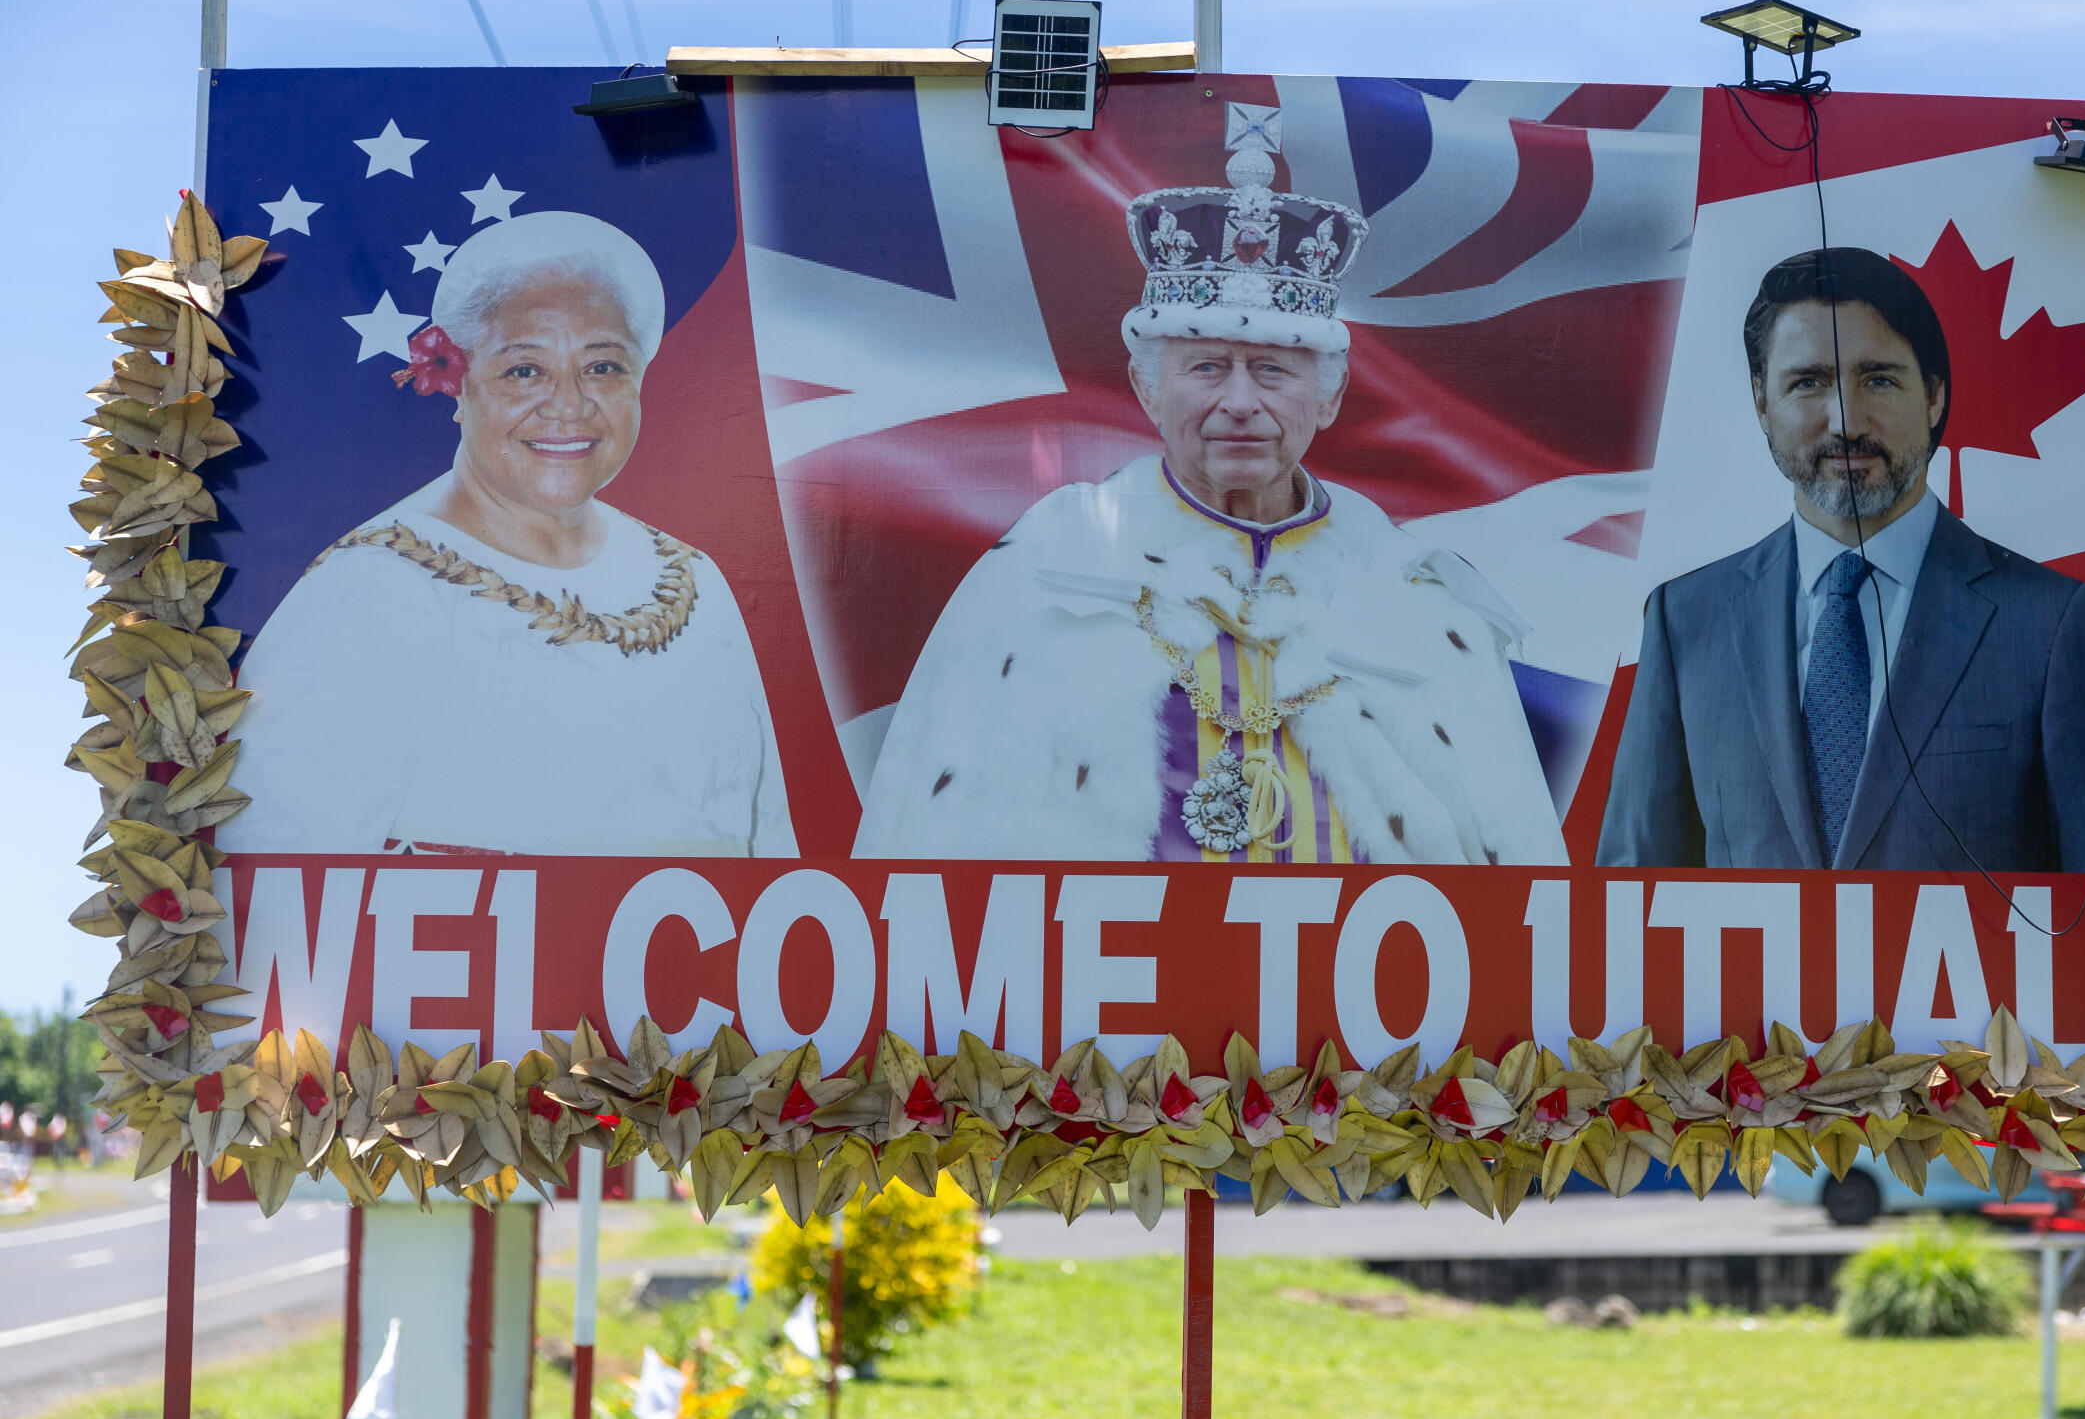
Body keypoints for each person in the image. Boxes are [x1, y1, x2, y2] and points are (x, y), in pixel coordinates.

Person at [855, 103, 1564, 863]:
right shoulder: (1046, 567)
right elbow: (939, 863)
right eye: (1205, 367)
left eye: (1271, 369)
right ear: (1147, 386)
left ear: (1328, 395)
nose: (1239, 402)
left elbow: (1510, 885)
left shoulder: (1418, 597)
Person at [221, 211, 796, 858]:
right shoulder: (369, 591)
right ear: (454, 378)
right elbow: (272, 892)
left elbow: (767, 859)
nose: (569, 404)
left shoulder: (694, 582)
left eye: (603, 367)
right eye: (525, 370)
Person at [1597, 246, 2085, 872]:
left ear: (1932, 397)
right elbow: (1629, 910)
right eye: (1808, 382)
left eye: (1878, 379)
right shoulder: (1686, 623)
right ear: (1762, 402)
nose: (1845, 420)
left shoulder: (2059, 628)